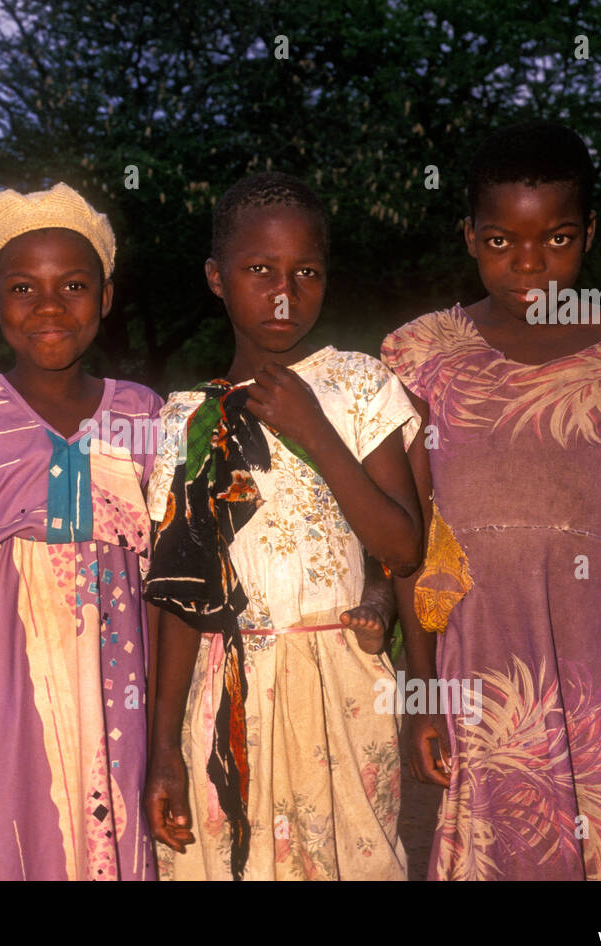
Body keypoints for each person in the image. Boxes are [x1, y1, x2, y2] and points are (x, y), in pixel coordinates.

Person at [381, 121, 601, 880]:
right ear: (468, 236)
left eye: (556, 239)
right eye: (501, 242)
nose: (530, 265)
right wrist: (425, 687)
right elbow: (412, 540)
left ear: (589, 232)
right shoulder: (423, 353)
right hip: (481, 665)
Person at [143, 172, 424, 880]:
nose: (282, 293)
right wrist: (163, 746)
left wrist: (314, 431)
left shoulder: (359, 386)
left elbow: (402, 545)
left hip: (341, 685)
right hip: (224, 694)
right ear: (216, 277)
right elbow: (179, 599)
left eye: (306, 273)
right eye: (259, 269)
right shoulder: (186, 419)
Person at [0, 183, 161, 880]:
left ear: (105, 298)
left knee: (112, 841)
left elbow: (165, 574)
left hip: (119, 691)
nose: (49, 306)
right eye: (23, 287)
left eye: (73, 285)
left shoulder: (146, 417)